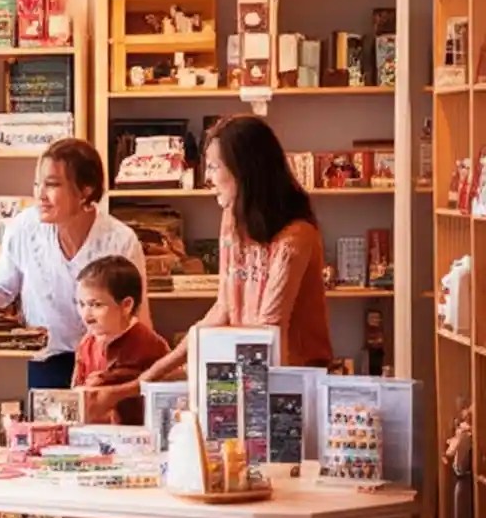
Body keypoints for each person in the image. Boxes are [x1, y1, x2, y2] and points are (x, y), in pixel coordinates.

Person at [82, 115, 332, 418]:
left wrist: (143, 383)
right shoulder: (232, 223)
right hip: (249, 376)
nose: (207, 178)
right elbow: (221, 310)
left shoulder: (296, 237)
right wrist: (141, 381)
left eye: (214, 167)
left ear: (244, 171)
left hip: (292, 391)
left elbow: (269, 332)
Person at [0, 138, 150, 390]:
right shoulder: (23, 228)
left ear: (86, 189)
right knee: (46, 428)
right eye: (38, 184)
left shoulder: (120, 240)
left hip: (108, 363)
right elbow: (0, 292)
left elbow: (138, 318)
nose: (40, 195)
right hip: (47, 358)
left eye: (52, 185)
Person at [71, 255, 170, 425]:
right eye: (81, 304)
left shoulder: (148, 344)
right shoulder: (87, 344)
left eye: (96, 305)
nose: (86, 315)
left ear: (126, 305)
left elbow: (166, 387)